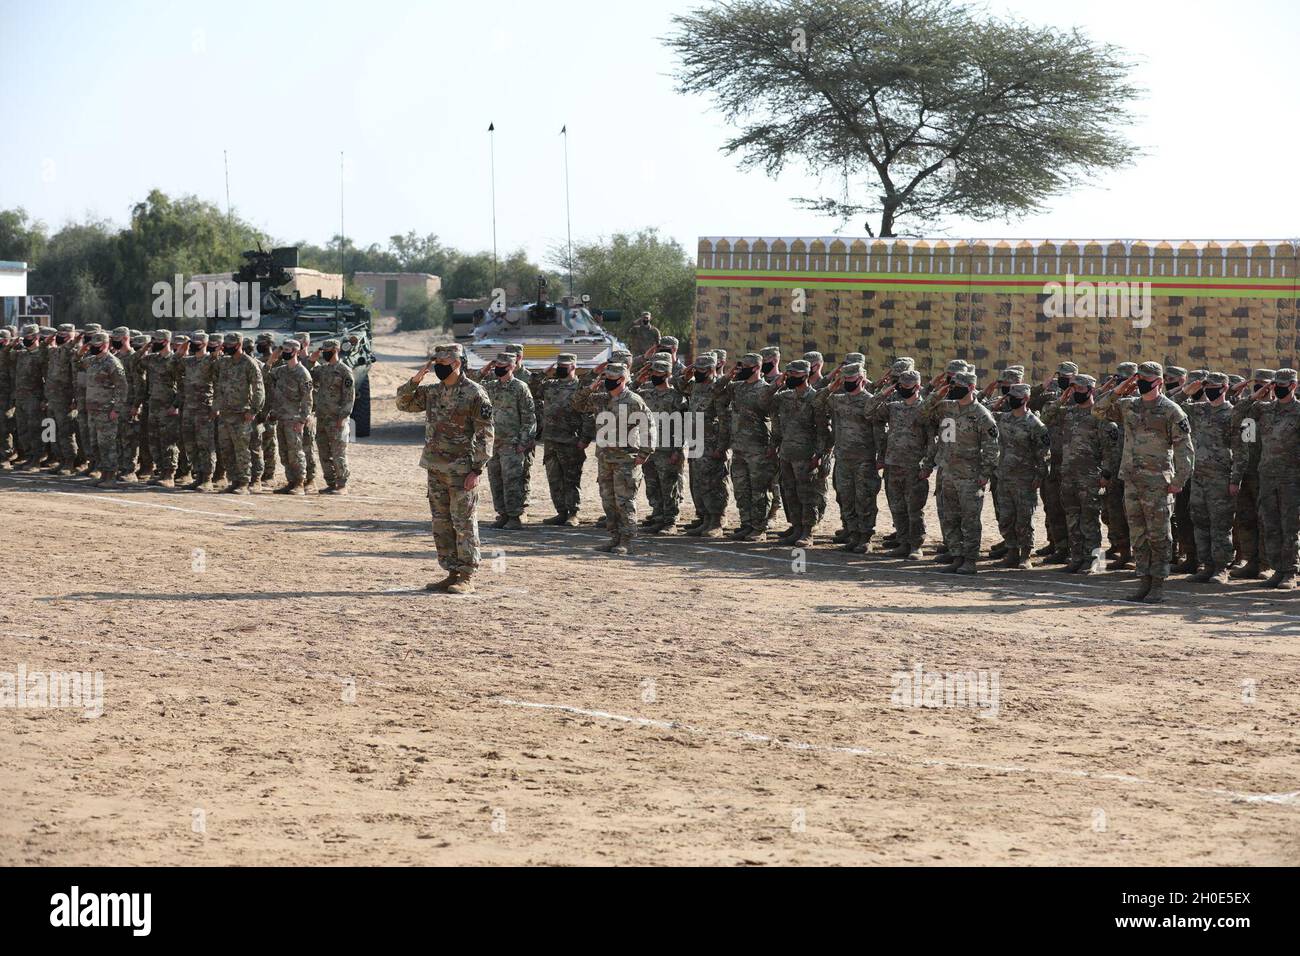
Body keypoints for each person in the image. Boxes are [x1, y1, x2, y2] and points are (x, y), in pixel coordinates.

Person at [395, 345, 494, 594]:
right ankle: (451, 572)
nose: (439, 364)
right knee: (441, 523)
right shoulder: (433, 392)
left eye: (444, 360)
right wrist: (417, 378)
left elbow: (485, 434)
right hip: (435, 467)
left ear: (457, 363)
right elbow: (403, 403)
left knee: (464, 523)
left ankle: (467, 575)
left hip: (462, 471)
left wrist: (477, 470)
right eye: (436, 360)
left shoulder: (474, 393)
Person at [1094, 362, 1194, 603]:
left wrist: (1179, 480)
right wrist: (1119, 390)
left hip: (1158, 483)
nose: (1140, 383)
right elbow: (1098, 410)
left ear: (1158, 382)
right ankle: (1144, 581)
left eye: (1145, 380)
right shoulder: (1129, 406)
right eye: (1138, 379)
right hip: (1131, 480)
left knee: (1159, 535)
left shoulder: (1172, 411)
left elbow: (1185, 448)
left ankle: (1158, 583)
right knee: (1138, 534)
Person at [571, 362, 655, 554]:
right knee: (608, 501)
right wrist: (591, 386)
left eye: (611, 379)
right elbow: (576, 403)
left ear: (622, 379)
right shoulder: (600, 399)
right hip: (605, 458)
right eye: (606, 378)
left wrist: (644, 452)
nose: (607, 382)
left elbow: (648, 426)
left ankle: (627, 540)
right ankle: (614, 538)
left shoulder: (634, 401)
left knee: (624, 501)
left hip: (626, 459)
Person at [921, 371, 999, 574]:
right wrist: (938, 393)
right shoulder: (946, 406)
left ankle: (970, 560)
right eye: (953, 385)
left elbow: (992, 447)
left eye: (959, 386)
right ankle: (956, 555)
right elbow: (923, 412)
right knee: (950, 517)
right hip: (947, 471)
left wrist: (985, 473)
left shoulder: (981, 414)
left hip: (970, 475)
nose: (954, 389)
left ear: (971, 387)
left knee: (970, 519)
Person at [1041, 375, 1117, 574]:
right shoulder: (1068, 413)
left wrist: (1106, 474)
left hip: (1090, 476)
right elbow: (1045, 417)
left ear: (1091, 391)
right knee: (1073, 518)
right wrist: (1062, 399)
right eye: (1073, 389)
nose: (1076, 393)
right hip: (1068, 475)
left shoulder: (1099, 416)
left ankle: (1096, 561)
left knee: (1090, 520)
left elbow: (1110, 449)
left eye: (1080, 389)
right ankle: (1076, 558)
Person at [1234, 368, 1300, 589]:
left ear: (1293, 386)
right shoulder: (1264, 410)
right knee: (1270, 526)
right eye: (1275, 384)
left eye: (1283, 384)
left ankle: (1290, 572)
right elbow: (1238, 416)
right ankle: (1277, 569)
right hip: (1266, 477)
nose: (1278, 388)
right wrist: (1255, 395)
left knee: (1289, 527)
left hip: (1291, 479)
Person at [867, 369, 933, 559]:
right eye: (901, 386)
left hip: (914, 467)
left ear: (917, 387)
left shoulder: (925, 409)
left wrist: (927, 465)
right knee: (897, 507)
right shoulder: (894, 406)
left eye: (907, 387)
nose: (903, 389)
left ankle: (916, 546)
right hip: (892, 464)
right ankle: (903, 542)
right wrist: (885, 391)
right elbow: (869, 411)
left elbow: (932, 441)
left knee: (914, 509)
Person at [768, 359, 831, 547]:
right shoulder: (784, 396)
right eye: (788, 374)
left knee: (807, 494)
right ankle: (796, 528)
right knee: (790, 493)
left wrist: (819, 455)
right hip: (787, 452)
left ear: (805, 376)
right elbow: (764, 402)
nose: (790, 377)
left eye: (794, 375)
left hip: (806, 454)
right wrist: (776, 383)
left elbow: (823, 430)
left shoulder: (815, 399)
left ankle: (808, 531)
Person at [1180, 372, 1235, 582]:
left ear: (1224, 388)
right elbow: (1171, 404)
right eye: (1207, 386)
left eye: (1214, 386)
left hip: (1221, 478)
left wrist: (1235, 479)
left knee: (1220, 524)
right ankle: (1206, 565)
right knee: (1200, 523)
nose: (1209, 389)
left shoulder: (1233, 414)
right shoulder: (1199, 410)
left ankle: (1221, 569)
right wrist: (1187, 391)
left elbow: (1242, 449)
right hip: (1199, 477)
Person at [991, 382, 1049, 568]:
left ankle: (1025, 555)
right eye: (1009, 397)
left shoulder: (1035, 424)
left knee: (1024, 519)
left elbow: (1043, 453)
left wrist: (1040, 475)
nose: (1011, 400)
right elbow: (986, 412)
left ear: (1025, 399)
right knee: (1006, 518)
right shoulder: (1003, 419)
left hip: (1025, 478)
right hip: (1004, 476)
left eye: (1015, 397)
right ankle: (1011, 551)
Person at [482, 351, 537, 529]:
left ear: (512, 367)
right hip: (494, 443)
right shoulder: (491, 387)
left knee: (512, 480)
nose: (498, 370)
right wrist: (486, 368)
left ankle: (515, 516)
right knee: (495, 479)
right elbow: (473, 384)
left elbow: (529, 417)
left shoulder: (520, 387)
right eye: (496, 366)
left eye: (502, 367)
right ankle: (503, 514)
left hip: (512, 443)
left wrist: (523, 442)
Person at [635, 356, 688, 534]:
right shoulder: (646, 393)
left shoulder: (676, 397)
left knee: (669, 486)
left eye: (658, 372)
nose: (654, 375)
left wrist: (678, 450)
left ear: (667, 374)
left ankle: (670, 522)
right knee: (652, 485)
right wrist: (638, 379)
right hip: (649, 448)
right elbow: (628, 394)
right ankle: (657, 517)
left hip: (668, 449)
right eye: (653, 372)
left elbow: (681, 425)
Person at [537, 353, 590, 526]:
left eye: (564, 366)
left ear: (573, 367)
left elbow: (588, 415)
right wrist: (546, 372)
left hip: (570, 441)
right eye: (558, 366)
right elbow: (532, 386)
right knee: (554, 479)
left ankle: (573, 513)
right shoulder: (550, 385)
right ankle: (561, 512)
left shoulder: (580, 387)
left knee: (571, 479)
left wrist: (585, 438)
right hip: (551, 440)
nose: (560, 369)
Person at [212, 332, 266, 494]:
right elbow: (218, 386)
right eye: (225, 345)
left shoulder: (249, 363)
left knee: (241, 450)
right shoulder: (224, 363)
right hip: (225, 413)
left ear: (238, 345)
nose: (226, 347)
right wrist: (216, 407)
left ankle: (244, 482)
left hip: (241, 414)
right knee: (226, 449)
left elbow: (258, 389)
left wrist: (254, 410)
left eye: (229, 345)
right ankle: (233, 480)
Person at [267, 339, 314, 495]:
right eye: (283, 350)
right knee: (284, 453)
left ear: (295, 351)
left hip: (294, 419)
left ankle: (299, 483)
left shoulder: (302, 373)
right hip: (282, 417)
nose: (285, 353)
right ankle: (291, 481)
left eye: (287, 350)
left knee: (296, 452)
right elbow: (264, 374)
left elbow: (308, 400)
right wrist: (273, 357)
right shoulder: (281, 371)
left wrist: (302, 420)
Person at [313, 338, 356, 495]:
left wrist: (343, 417)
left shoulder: (344, 371)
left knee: (338, 453)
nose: (325, 353)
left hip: (337, 419)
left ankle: (342, 484)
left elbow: (349, 397)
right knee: (324, 452)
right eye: (323, 351)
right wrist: (312, 358)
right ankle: (331, 483)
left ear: (336, 350)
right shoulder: (323, 370)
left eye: (328, 351)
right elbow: (308, 374)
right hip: (322, 418)